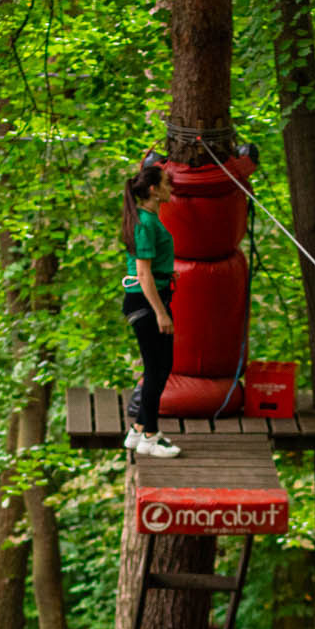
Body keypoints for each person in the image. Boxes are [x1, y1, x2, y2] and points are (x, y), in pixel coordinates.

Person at [119, 163, 182, 460]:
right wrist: (161, 313)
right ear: (154, 190)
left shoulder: (147, 220)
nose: (172, 188)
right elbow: (142, 275)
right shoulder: (144, 223)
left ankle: (140, 427)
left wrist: (165, 276)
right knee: (159, 368)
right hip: (146, 304)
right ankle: (150, 436)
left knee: (156, 367)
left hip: (149, 299)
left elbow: (150, 271)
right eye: (167, 183)